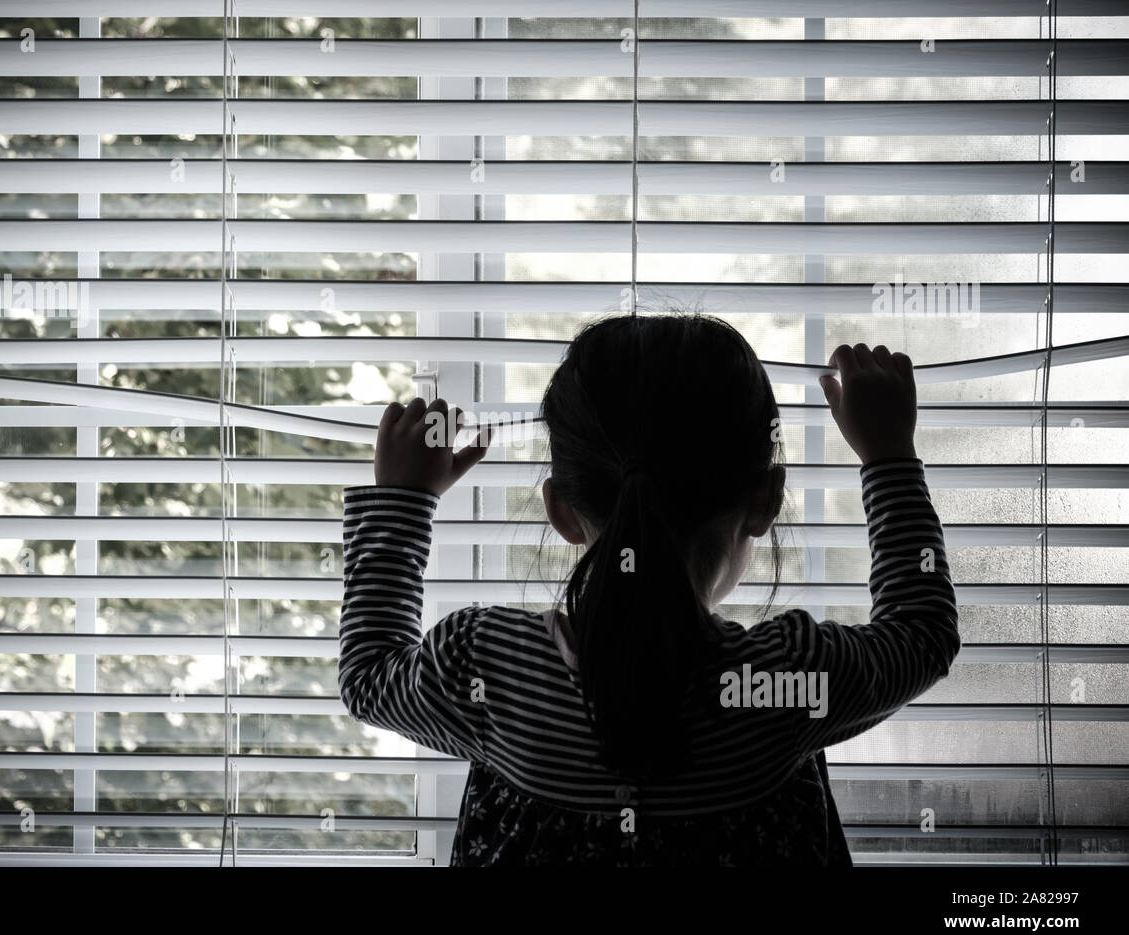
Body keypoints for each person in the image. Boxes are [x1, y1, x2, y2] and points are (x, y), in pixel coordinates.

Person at [339, 313, 960, 865]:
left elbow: (369, 676)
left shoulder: (488, 668)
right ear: (767, 498)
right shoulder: (786, 684)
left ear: (560, 510)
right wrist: (889, 457)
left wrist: (403, 500)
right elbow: (922, 634)